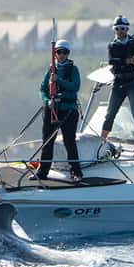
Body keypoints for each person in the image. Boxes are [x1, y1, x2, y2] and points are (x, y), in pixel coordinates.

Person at [34, 39, 83, 181]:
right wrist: (46, 101)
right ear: (55, 54)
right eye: (59, 52)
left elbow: (75, 86)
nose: (61, 55)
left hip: (68, 111)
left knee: (69, 141)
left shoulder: (73, 69)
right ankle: (42, 172)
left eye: (64, 52)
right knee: (47, 141)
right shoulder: (51, 69)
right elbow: (42, 90)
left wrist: (59, 80)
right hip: (51, 109)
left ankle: (76, 172)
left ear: (68, 54)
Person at [99, 16, 134, 156]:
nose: (120, 31)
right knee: (110, 114)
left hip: (133, 82)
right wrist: (127, 60)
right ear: (114, 30)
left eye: (123, 29)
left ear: (127, 29)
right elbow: (112, 61)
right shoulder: (112, 45)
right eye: (118, 29)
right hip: (118, 82)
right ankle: (101, 143)